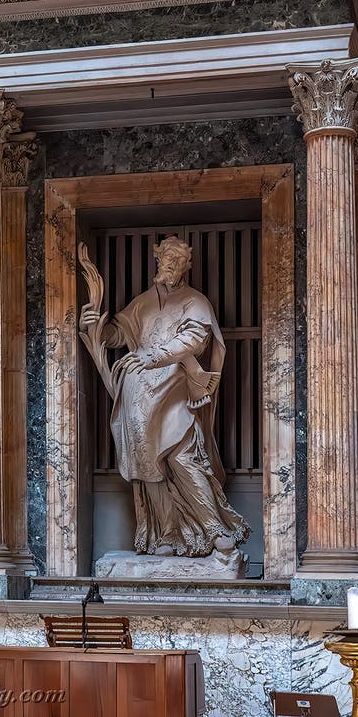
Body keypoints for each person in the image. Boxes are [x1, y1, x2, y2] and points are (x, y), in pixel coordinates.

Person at [80, 236, 250, 557]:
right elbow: (118, 334)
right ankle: (166, 534)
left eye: (178, 260)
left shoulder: (195, 301)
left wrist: (154, 355)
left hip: (174, 388)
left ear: (188, 265)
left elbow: (195, 339)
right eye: (166, 258)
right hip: (138, 394)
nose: (171, 264)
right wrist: (95, 326)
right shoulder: (142, 302)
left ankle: (214, 527)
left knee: (183, 455)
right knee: (148, 463)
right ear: (157, 260)